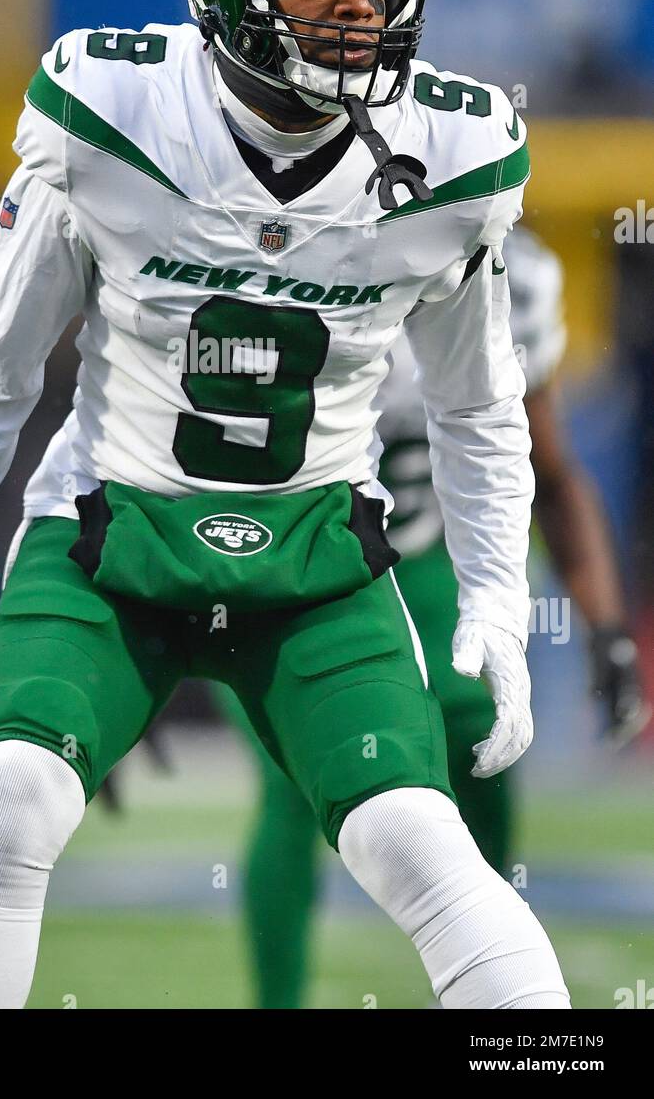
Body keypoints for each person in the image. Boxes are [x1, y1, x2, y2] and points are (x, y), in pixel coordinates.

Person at [0, 0, 570, 1009]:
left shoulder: (452, 154)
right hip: (108, 537)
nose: (357, 9)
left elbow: (477, 405)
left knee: (419, 847)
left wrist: (494, 595)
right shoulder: (112, 112)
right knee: (10, 799)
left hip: (316, 555)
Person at [219, 225, 649, 1008]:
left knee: (483, 752)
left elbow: (549, 473)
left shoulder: (513, 276)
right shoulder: (294, 249)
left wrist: (608, 631)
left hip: (439, 569)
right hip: (295, 555)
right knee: (292, 780)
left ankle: (489, 1002)